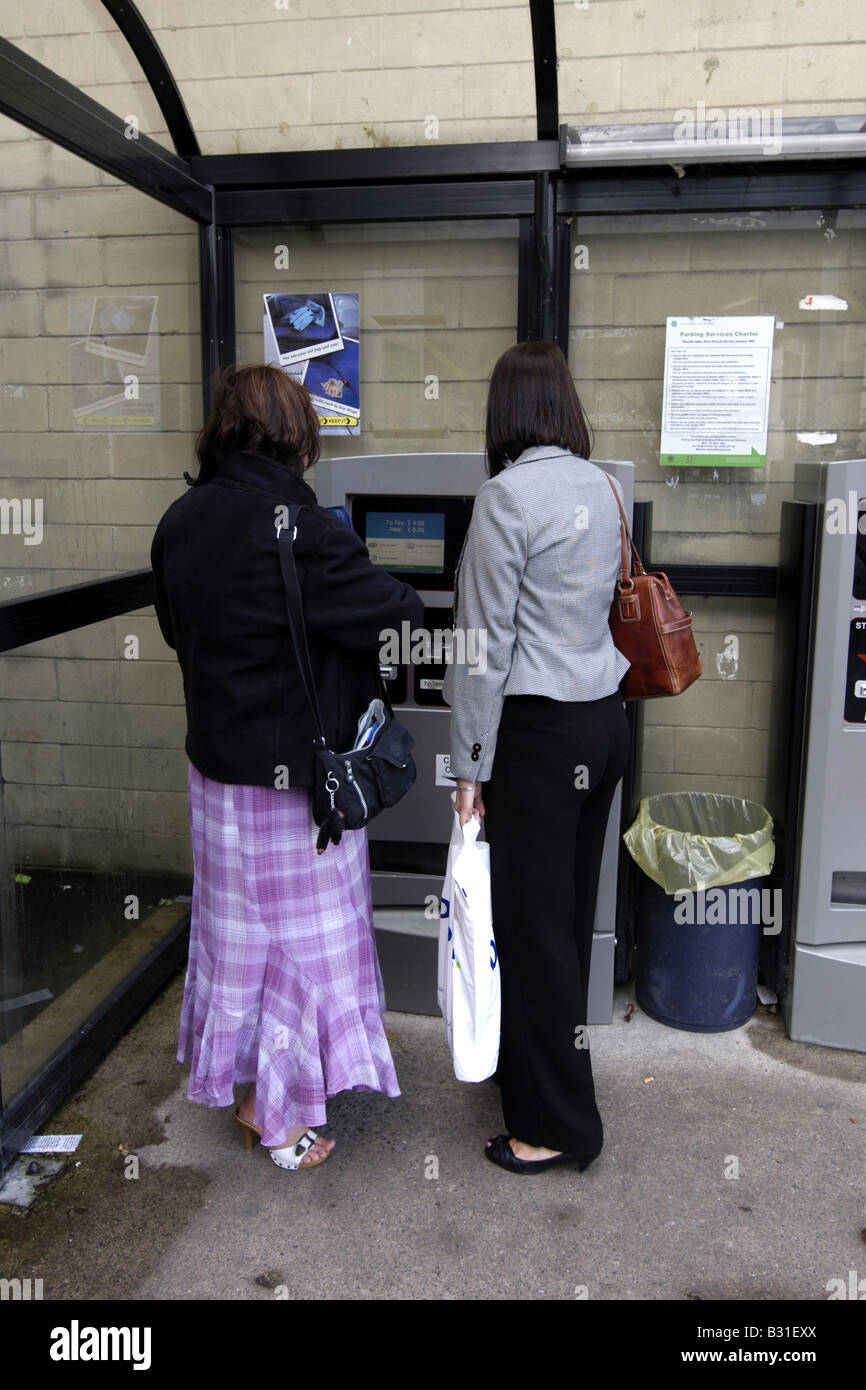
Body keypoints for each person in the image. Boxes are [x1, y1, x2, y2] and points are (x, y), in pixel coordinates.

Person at [151, 364, 424, 1171]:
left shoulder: (179, 520)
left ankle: (250, 1088)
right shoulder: (305, 534)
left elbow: (177, 630)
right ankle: (279, 1117)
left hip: (216, 778)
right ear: (298, 437)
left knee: (239, 943)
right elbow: (399, 619)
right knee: (301, 954)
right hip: (296, 790)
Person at [442, 340, 630, 1176]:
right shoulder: (605, 488)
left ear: (506, 412)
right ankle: (546, 1083)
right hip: (602, 724)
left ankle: (554, 1128)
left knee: (532, 933)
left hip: (539, 739)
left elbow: (482, 648)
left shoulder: (506, 498)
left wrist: (469, 768)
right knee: (562, 929)